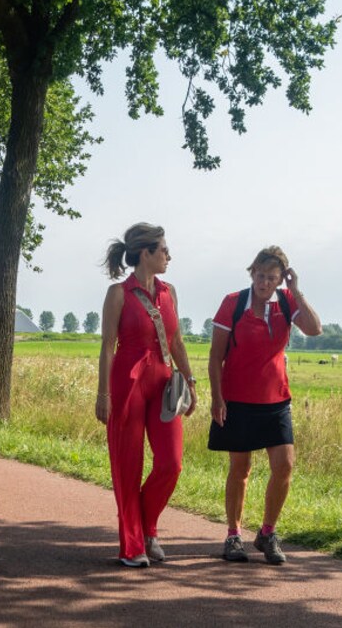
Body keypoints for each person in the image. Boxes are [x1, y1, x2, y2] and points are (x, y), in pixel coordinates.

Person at [208, 246, 321, 565]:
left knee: (285, 465)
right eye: (260, 275)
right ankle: (233, 535)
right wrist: (217, 398)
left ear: (281, 278)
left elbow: (314, 329)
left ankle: (267, 533)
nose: (264, 283)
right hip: (237, 399)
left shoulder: (286, 302)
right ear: (252, 273)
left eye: (272, 277)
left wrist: (296, 291)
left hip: (276, 400)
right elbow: (215, 357)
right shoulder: (233, 303)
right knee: (240, 469)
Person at [95, 223, 197, 568]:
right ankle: (133, 545)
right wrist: (103, 393)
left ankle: (146, 524)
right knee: (128, 466)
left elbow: (177, 341)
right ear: (145, 253)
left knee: (171, 462)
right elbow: (108, 346)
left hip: (164, 383)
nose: (169, 256)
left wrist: (190, 382)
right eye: (164, 250)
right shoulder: (118, 293)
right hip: (128, 382)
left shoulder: (170, 292)